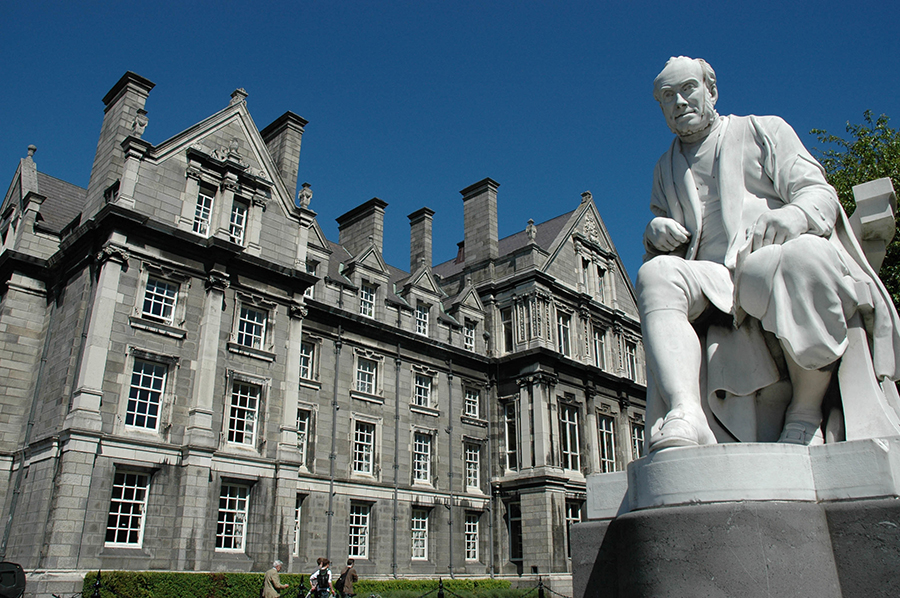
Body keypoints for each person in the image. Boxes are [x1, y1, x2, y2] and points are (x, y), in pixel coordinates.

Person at [637, 56, 900, 452]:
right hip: (711, 276)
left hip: (770, 253)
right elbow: (663, 234)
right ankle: (686, 411)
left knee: (791, 261)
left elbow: (818, 193)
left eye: (688, 89)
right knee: (655, 276)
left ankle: (806, 409)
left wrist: (794, 215)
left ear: (712, 90)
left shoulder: (763, 129)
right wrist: (654, 234)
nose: (679, 102)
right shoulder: (665, 167)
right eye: (667, 96)